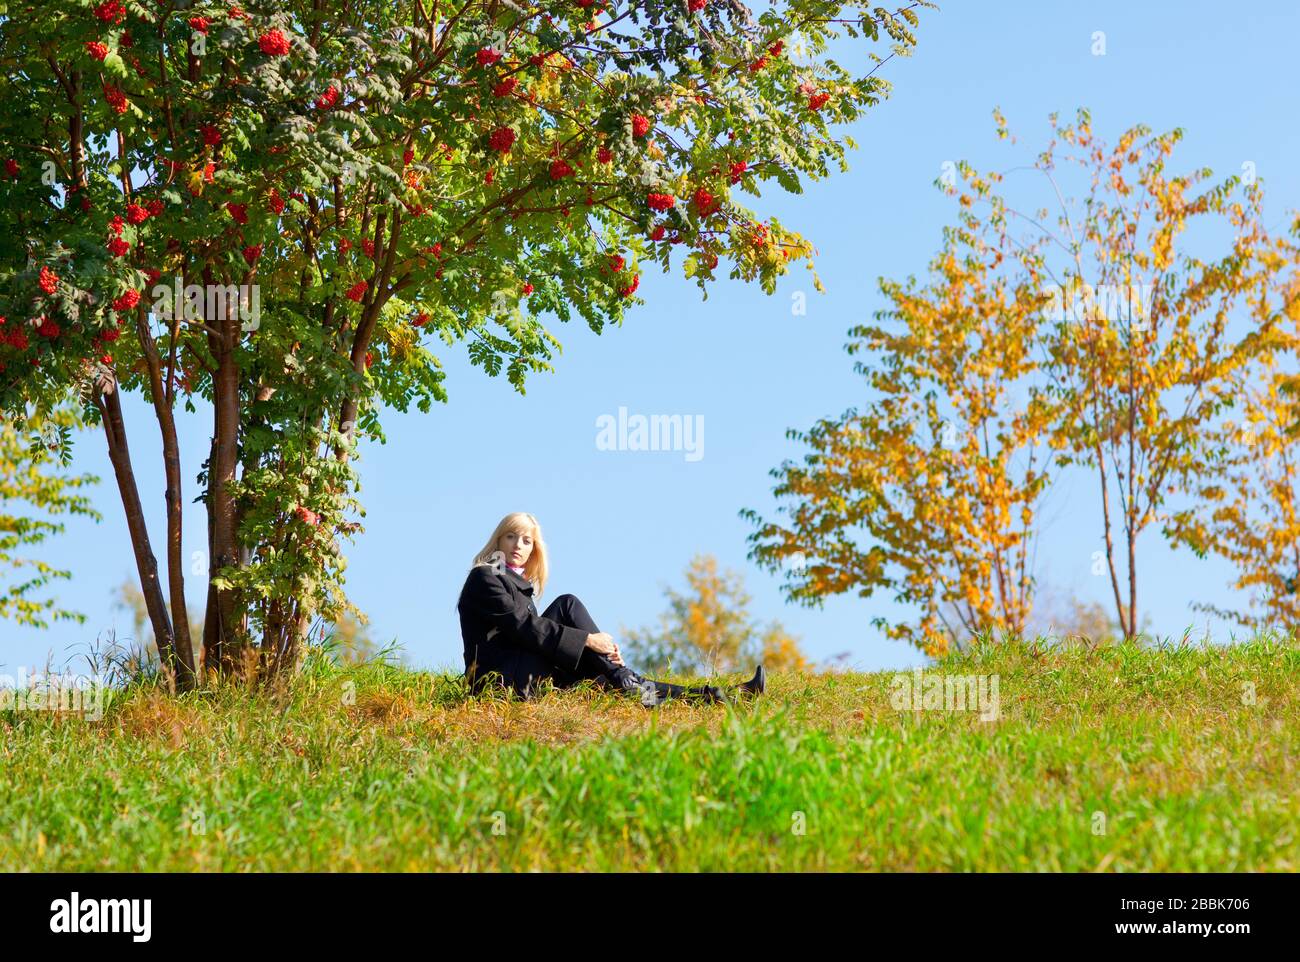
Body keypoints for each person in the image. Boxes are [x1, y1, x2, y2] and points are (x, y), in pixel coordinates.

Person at [457, 512, 765, 706]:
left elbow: (532, 633)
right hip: (499, 684)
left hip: (521, 673)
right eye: (511, 536)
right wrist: (589, 641)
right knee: (567, 605)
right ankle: (627, 679)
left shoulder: (514, 582)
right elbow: (524, 628)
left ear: (534, 550)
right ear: (498, 538)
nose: (518, 545)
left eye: (526, 540)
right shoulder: (486, 576)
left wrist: (596, 651)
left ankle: (717, 696)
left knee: (608, 674)